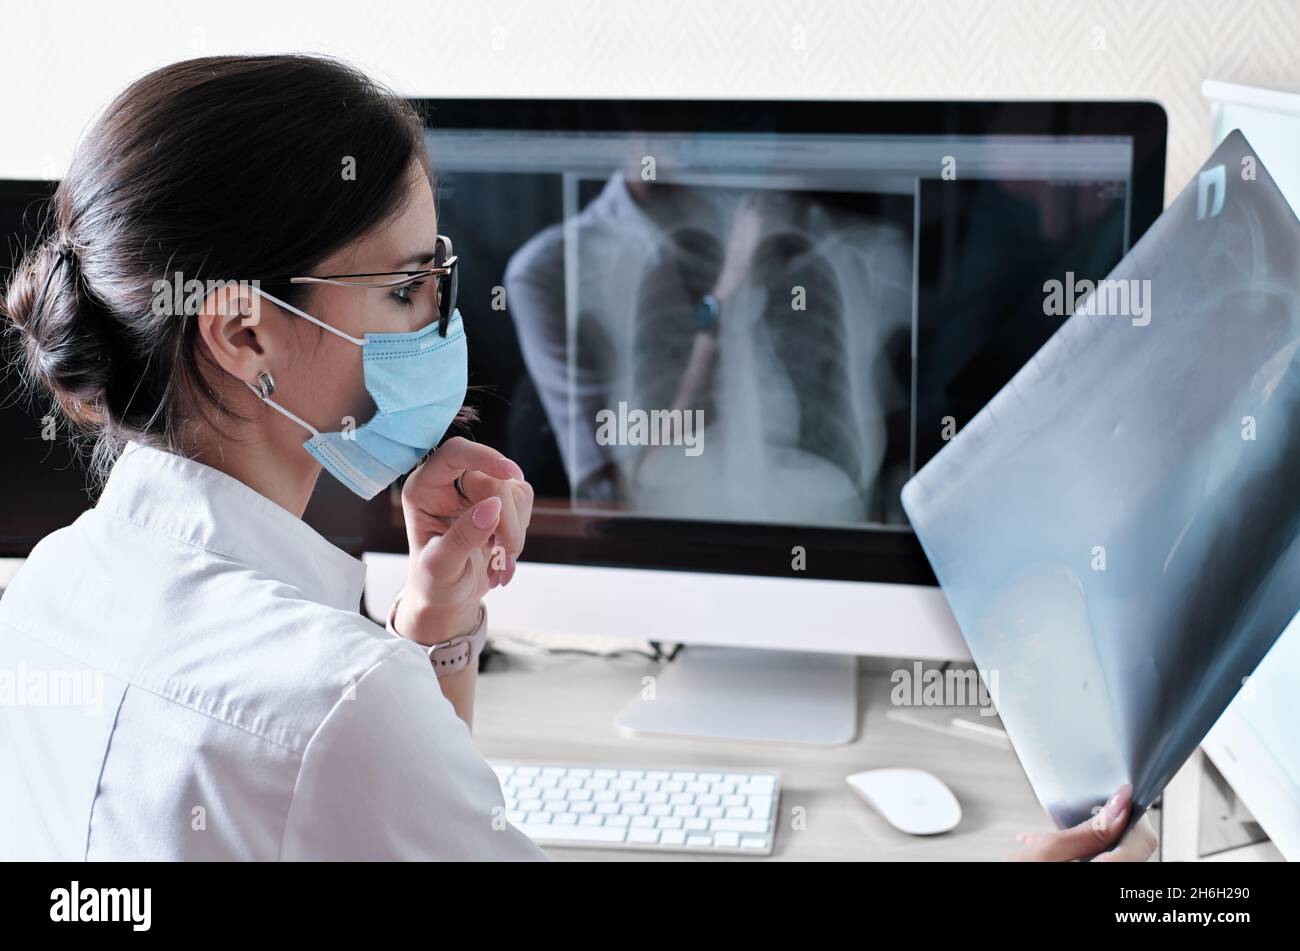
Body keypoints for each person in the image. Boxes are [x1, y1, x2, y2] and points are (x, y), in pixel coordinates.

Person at [0, 54, 542, 860]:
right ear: (246, 333)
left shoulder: (40, 592)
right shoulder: (342, 703)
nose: (443, 315)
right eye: (407, 284)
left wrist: (438, 629)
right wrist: (400, 680)